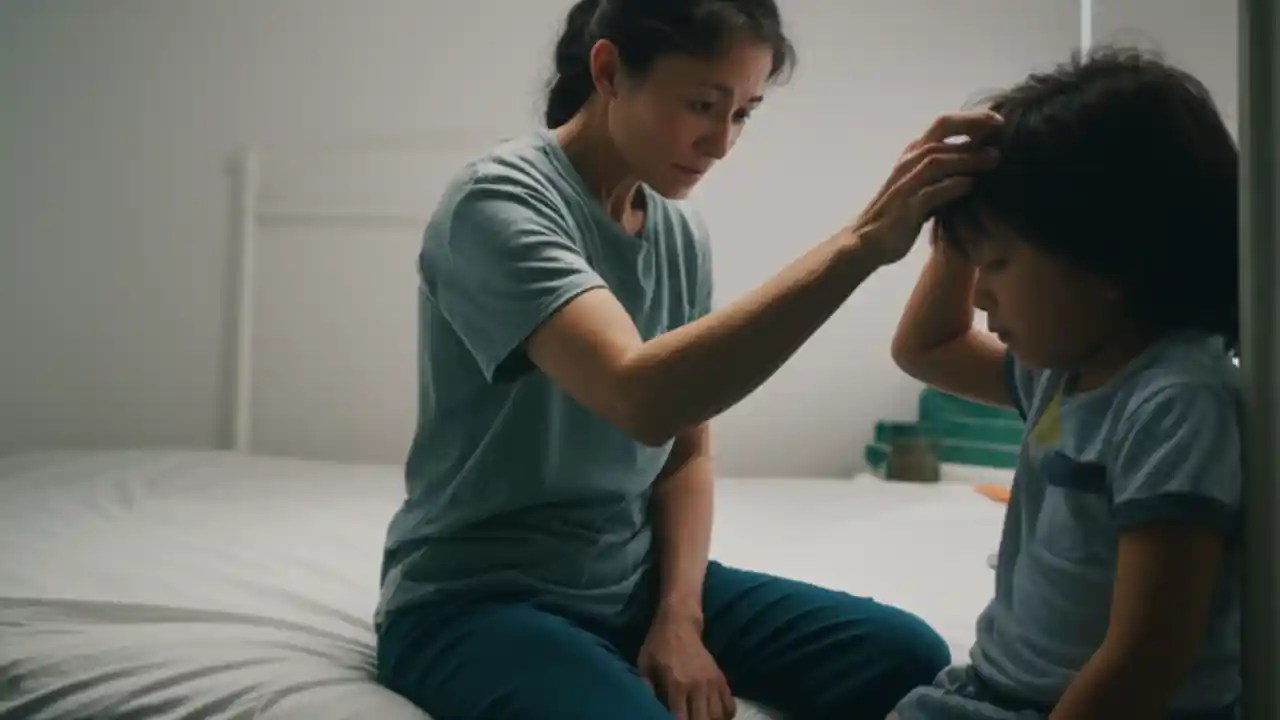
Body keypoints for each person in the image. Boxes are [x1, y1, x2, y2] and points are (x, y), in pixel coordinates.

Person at [372, 0, 1003, 718]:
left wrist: (679, 615)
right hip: (476, 600)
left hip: (631, 583)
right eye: (703, 104)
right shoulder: (497, 204)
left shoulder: (676, 229)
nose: (721, 142)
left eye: (743, 114)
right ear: (608, 71)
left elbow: (684, 452)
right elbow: (643, 400)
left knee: (907, 657)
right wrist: (859, 247)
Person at [889, 47, 1241, 720]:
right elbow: (925, 348)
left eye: (996, 261)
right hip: (993, 692)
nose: (980, 295)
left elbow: (1148, 652)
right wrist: (963, 207)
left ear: (1108, 255)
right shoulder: (1066, 373)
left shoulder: (1175, 401)